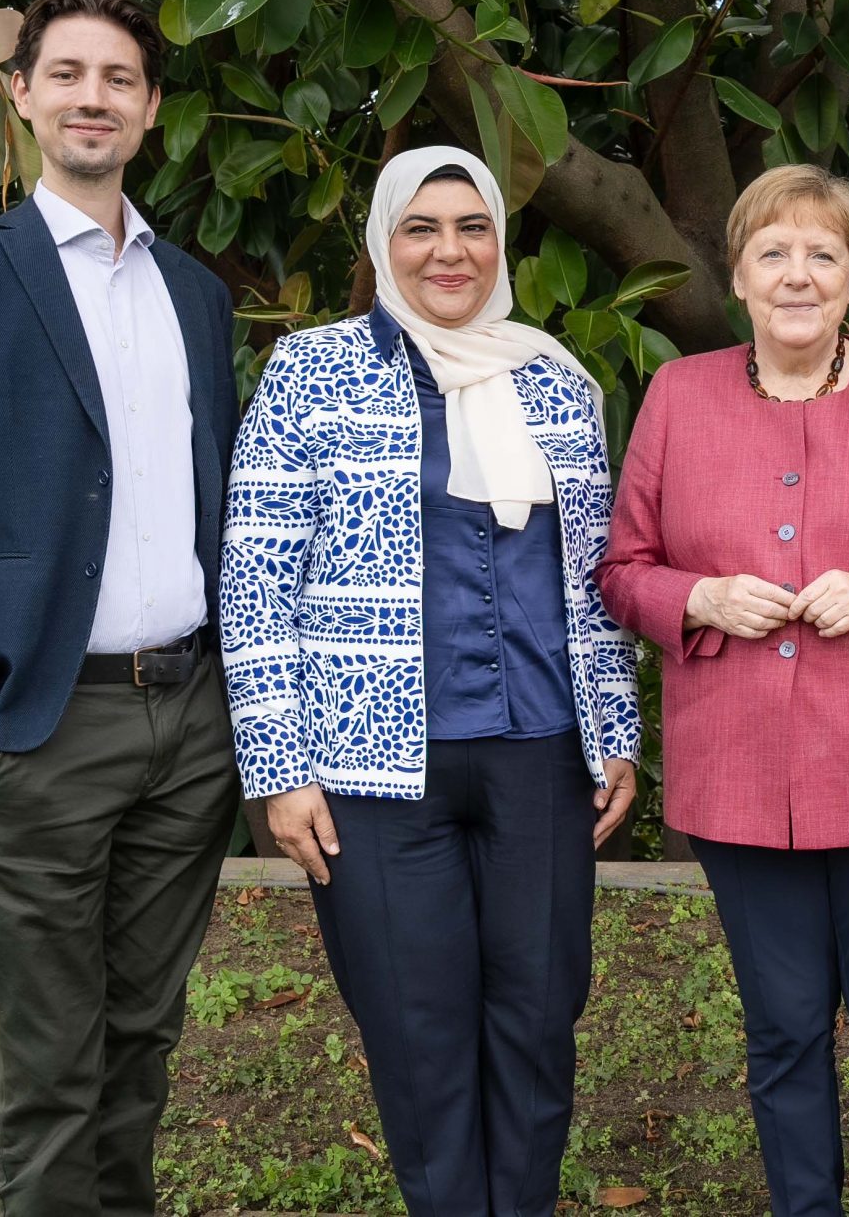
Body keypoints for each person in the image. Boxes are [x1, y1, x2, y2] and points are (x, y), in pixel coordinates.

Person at [0, 0, 238, 1215]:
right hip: (37, 726)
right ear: (20, 98)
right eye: (66, 73)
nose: (93, 96)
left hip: (186, 727)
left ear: (149, 112)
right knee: (47, 1069)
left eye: (119, 78)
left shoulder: (195, 294)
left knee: (143, 1041)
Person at [220, 146, 642, 1217]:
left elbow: (594, 578)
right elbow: (256, 574)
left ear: (499, 242)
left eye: (471, 227)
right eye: (421, 227)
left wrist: (616, 733)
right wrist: (280, 766)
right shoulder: (314, 371)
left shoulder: (554, 380)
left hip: (542, 757)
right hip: (368, 769)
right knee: (419, 1032)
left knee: (542, 1019)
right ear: (382, 243)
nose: (448, 251)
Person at [597, 164, 849, 1217]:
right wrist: (698, 598)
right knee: (781, 1026)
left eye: (822, 253)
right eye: (772, 252)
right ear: (736, 275)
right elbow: (622, 569)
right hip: (740, 764)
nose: (797, 274)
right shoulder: (677, 396)